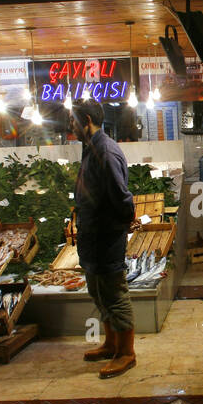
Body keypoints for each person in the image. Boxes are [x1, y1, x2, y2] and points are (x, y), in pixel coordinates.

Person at [71, 98, 138, 377]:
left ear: (86, 121)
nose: (71, 127)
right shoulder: (90, 149)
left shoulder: (106, 151)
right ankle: (111, 344)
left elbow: (122, 197)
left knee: (114, 293)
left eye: (73, 122)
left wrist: (122, 224)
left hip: (107, 236)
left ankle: (127, 352)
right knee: (99, 293)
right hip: (91, 236)